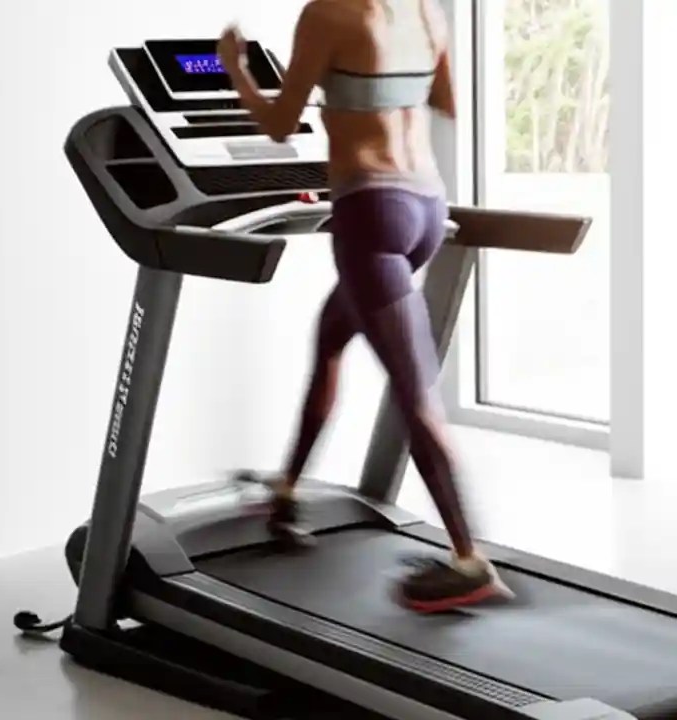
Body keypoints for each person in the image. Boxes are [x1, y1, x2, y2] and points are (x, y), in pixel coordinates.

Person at [217, 0, 510, 613]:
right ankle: (287, 490)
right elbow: (450, 103)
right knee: (330, 338)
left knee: (414, 393)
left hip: (370, 213)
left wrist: (235, 70)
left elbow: (278, 122)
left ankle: (469, 558)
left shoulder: (326, 14)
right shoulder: (426, 12)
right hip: (427, 204)